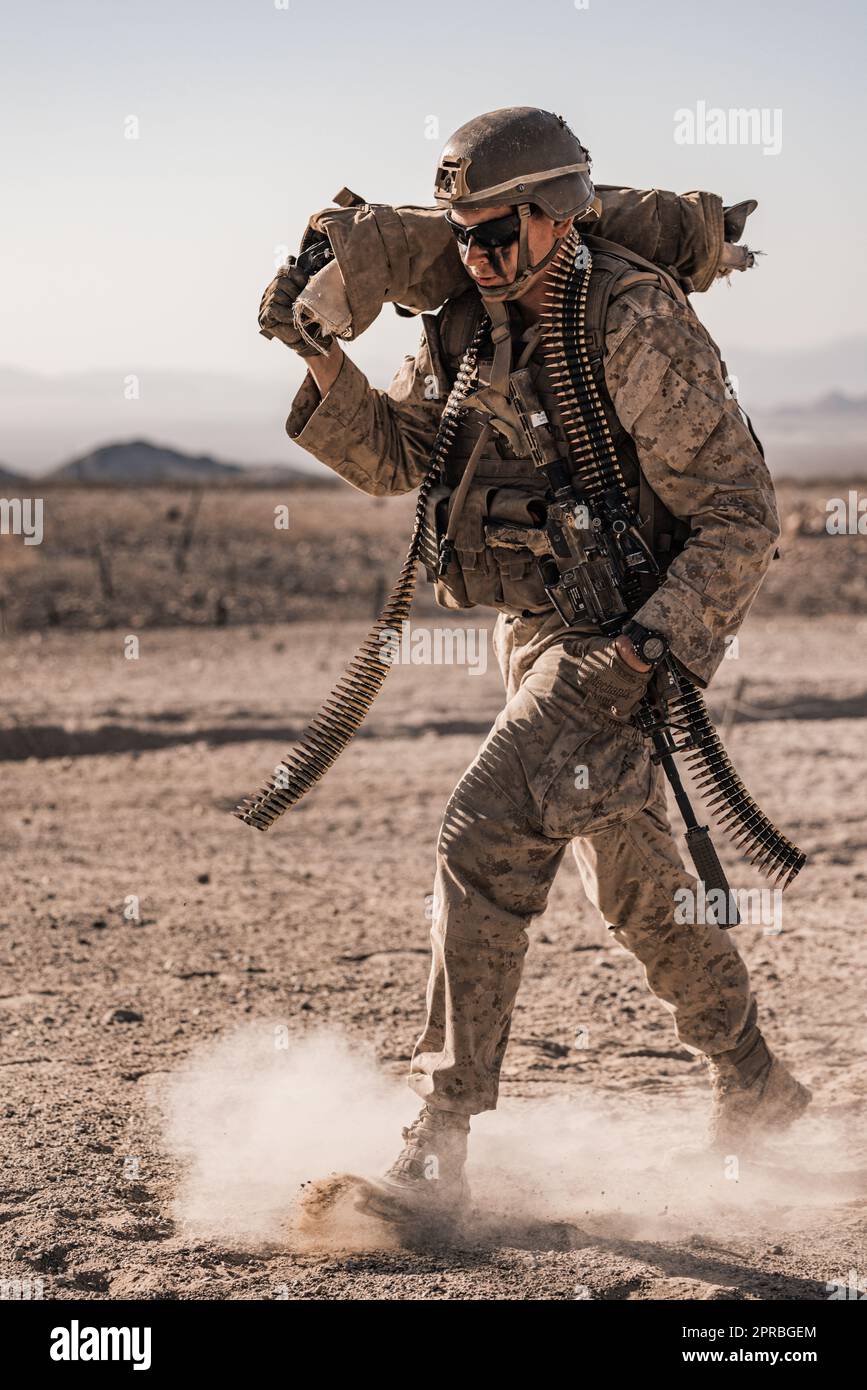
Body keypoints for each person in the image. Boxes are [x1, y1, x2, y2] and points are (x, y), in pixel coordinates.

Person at [258, 107, 811, 1222]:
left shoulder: (636, 320)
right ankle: (754, 1082)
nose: (475, 255)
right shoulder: (466, 320)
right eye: (460, 234)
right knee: (637, 874)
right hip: (538, 632)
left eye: (498, 233)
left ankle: (438, 1143)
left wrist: (651, 649)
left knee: (482, 827)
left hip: (628, 634)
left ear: (559, 218)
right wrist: (325, 362)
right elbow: (406, 463)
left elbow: (742, 514)